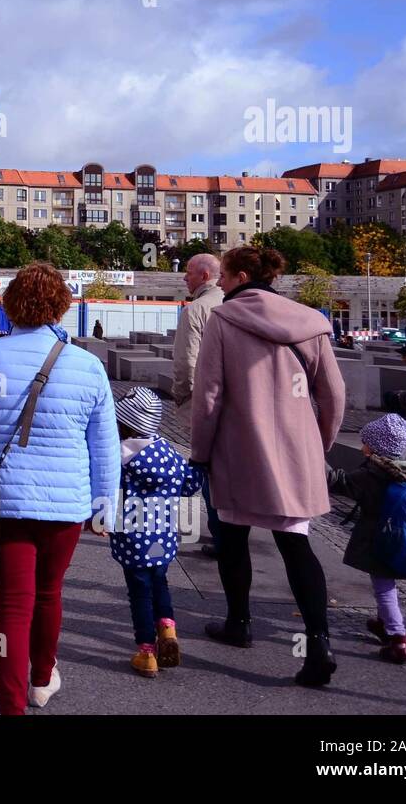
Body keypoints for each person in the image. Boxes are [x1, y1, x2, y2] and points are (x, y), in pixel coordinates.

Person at [0, 261, 119, 715]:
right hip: (67, 505)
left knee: (12, 606)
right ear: (62, 307)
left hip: (4, 503)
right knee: (50, 593)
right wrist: (104, 509)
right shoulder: (88, 366)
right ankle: (41, 680)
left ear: (10, 305)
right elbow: (105, 447)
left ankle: (11, 705)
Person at [190, 245, 346, 687]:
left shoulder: (224, 319)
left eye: (223, 276)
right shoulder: (310, 322)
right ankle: (319, 643)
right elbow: (334, 395)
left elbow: (209, 397)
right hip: (297, 454)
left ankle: (238, 623)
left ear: (240, 276)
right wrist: (319, 444)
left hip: (239, 450)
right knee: (296, 547)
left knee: (233, 539)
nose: (218, 282)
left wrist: (200, 452)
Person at [326, 414, 406, 666]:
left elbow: (338, 482)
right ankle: (382, 623)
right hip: (404, 542)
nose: (362, 446)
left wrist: (314, 457)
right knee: (386, 583)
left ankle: (398, 637)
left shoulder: (375, 474)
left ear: (376, 447)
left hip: (382, 542)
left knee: (384, 588)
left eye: (365, 442)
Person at [110, 387, 204, 677]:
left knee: (139, 593)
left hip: (132, 537)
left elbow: (105, 490)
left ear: (124, 423)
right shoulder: (169, 454)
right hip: (163, 537)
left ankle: (146, 653)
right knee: (160, 582)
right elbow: (190, 485)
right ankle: (168, 630)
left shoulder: (118, 458)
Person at [172, 252, 225, 560]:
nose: (184, 277)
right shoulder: (235, 304)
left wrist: (182, 397)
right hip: (241, 404)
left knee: (208, 470)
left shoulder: (197, 310)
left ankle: (221, 536)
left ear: (204, 276)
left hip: (206, 404)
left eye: (188, 272)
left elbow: (186, 363)